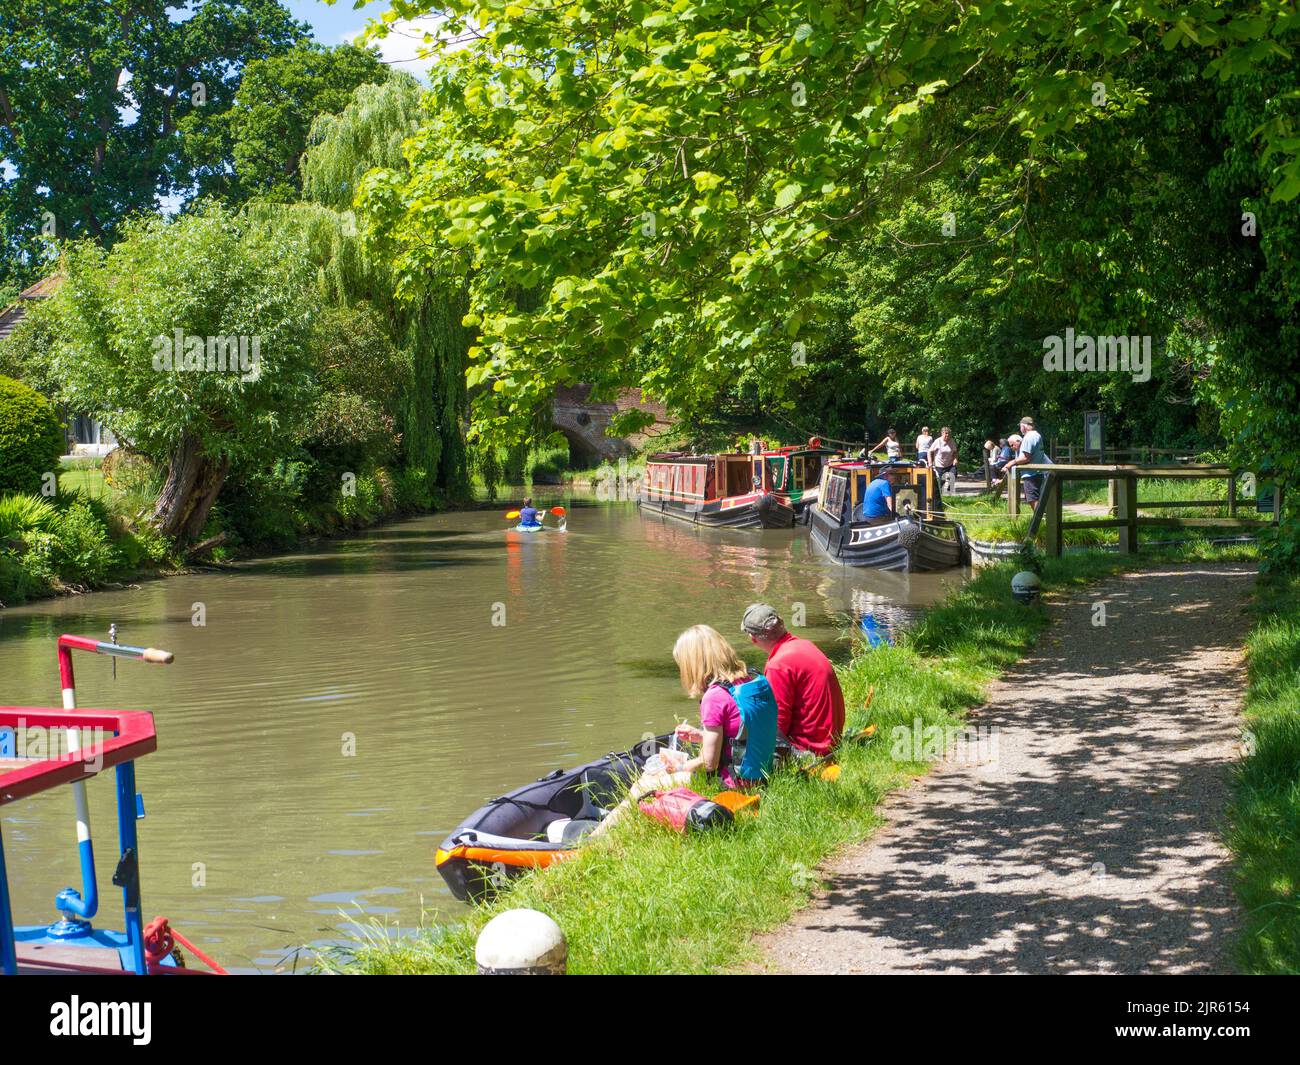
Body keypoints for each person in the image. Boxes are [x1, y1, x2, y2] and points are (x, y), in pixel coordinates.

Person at [659, 624, 775, 788]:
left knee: (648, 783)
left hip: (736, 782)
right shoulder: (753, 679)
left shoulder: (714, 697)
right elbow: (744, 732)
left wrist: (679, 768)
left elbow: (709, 764)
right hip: (764, 773)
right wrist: (700, 736)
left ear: (692, 665)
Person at [741, 604, 844, 757]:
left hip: (810, 749)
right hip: (832, 740)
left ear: (753, 639)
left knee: (741, 739)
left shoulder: (778, 665)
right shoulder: (805, 645)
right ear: (781, 623)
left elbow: (776, 724)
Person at [1000, 417, 1051, 504]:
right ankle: (1041, 516)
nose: (1011, 447)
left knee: (1033, 499)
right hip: (1037, 472)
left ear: (1023, 426)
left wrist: (1011, 462)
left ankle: (1039, 517)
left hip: (1032, 474)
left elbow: (1025, 458)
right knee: (1033, 498)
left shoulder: (1029, 437)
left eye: (1020, 426)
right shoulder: (1036, 435)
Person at [927, 427, 958, 495]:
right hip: (939, 465)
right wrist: (930, 462)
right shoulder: (937, 441)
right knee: (940, 482)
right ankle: (939, 496)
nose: (947, 435)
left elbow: (955, 452)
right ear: (942, 433)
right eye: (946, 433)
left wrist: (955, 459)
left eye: (949, 434)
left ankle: (949, 491)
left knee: (953, 474)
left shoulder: (952, 441)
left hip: (950, 464)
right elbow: (929, 451)